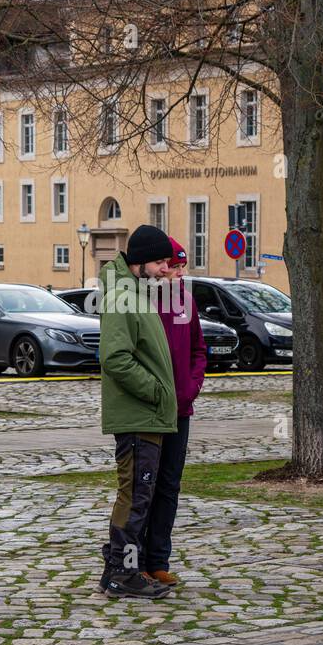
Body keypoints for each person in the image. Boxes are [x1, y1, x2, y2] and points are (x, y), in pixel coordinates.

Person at [97, 224, 178, 597]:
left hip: (146, 414)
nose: (166, 268)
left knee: (138, 495)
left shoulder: (134, 290)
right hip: (138, 414)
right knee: (135, 495)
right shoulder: (121, 294)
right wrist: (158, 393)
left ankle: (120, 566)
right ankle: (121, 573)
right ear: (142, 261)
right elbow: (116, 358)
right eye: (161, 261)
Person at [139, 237, 206, 587]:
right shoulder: (144, 302)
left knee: (169, 485)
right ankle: (136, 562)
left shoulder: (187, 302)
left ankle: (159, 559)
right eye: (172, 267)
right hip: (150, 410)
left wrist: (190, 388)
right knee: (143, 486)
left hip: (181, 409)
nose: (177, 273)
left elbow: (198, 350)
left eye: (182, 267)